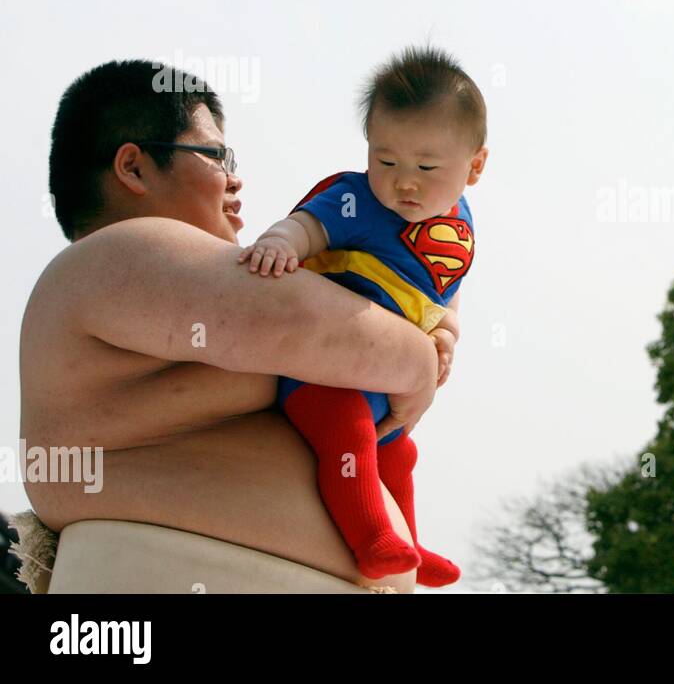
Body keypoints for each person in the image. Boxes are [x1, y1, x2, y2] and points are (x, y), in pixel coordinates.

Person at [18, 59, 455, 592]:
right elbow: (297, 324)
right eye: (216, 155)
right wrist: (418, 363)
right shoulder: (113, 253)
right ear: (133, 168)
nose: (235, 177)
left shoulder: (147, 299)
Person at [239, 46, 488, 585]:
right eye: (386, 160)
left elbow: (447, 287)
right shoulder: (356, 200)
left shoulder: (460, 222)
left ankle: (410, 543)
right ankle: (372, 537)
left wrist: (447, 330)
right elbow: (306, 225)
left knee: (399, 456)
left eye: (426, 167)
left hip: (388, 387)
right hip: (321, 376)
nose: (404, 182)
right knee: (349, 438)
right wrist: (279, 243)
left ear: (475, 167)